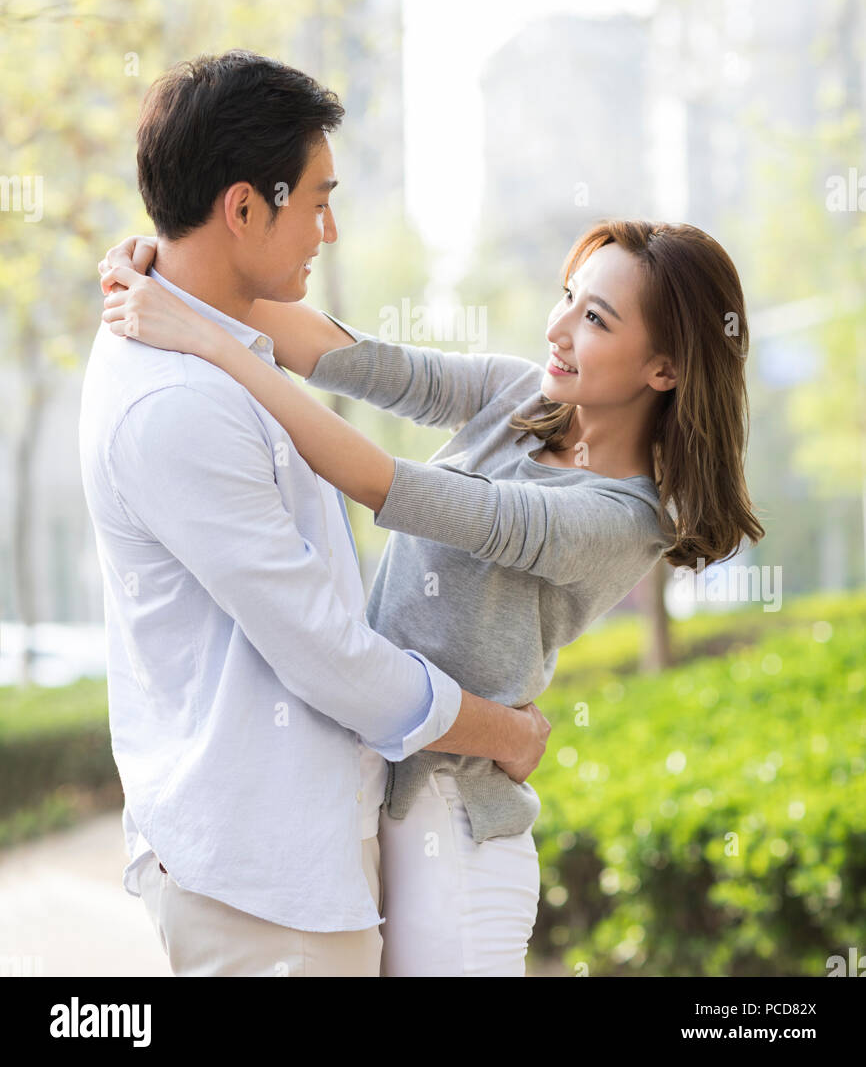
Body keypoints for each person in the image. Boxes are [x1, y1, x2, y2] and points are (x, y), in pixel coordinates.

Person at [100, 204, 765, 974]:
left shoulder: (621, 517)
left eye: (596, 319)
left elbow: (384, 483)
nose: (557, 328)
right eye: (566, 295)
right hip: (387, 802)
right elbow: (347, 355)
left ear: (666, 368)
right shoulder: (520, 400)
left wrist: (206, 338)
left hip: (456, 835)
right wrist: (181, 277)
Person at [80, 50, 551, 979]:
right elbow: (328, 655)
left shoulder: (210, 343)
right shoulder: (177, 403)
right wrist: (509, 732)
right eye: (318, 201)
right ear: (244, 207)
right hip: (263, 886)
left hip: (297, 861)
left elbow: (387, 372)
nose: (329, 231)